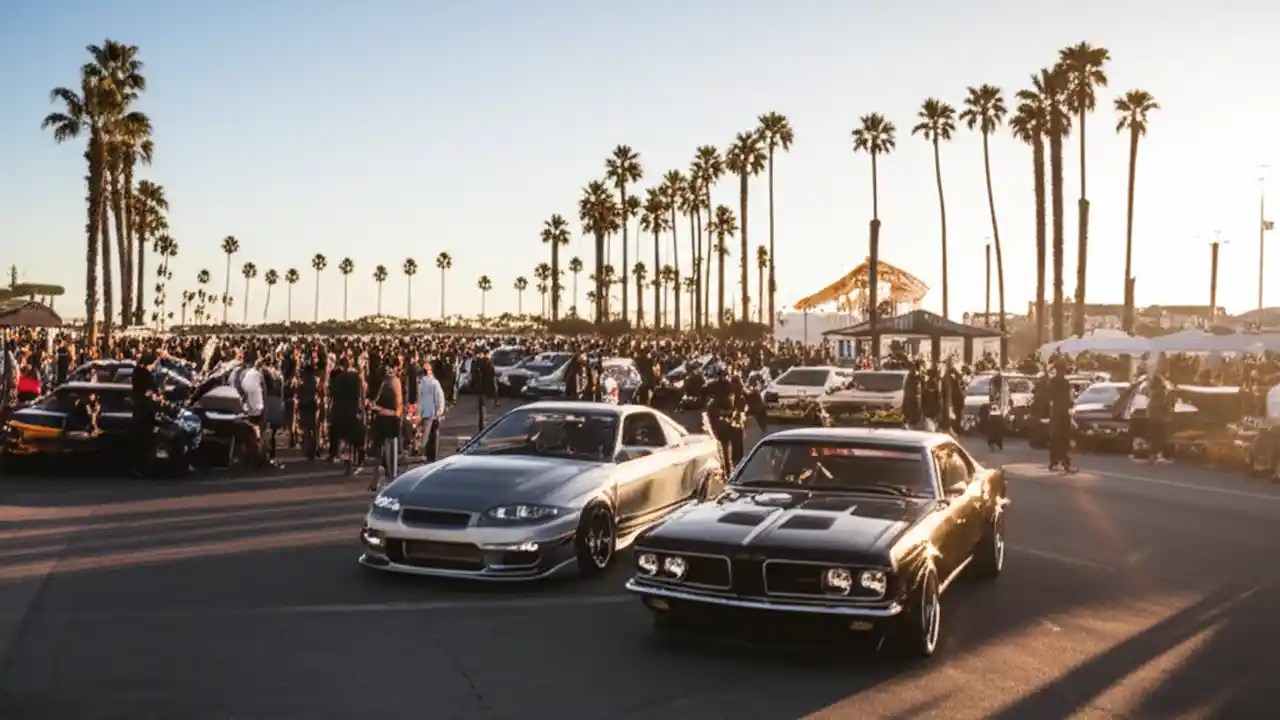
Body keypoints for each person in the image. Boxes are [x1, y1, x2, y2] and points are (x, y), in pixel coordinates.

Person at [370, 357, 403, 491]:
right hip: (384, 422)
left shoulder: (394, 382)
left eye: (392, 368)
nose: (389, 370)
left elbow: (397, 407)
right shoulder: (386, 382)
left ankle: (388, 480)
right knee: (380, 454)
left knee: (388, 453)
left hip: (389, 421)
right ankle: (377, 481)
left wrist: (380, 410)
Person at [130, 351, 161, 477]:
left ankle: (138, 466)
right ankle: (143, 467)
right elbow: (152, 390)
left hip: (138, 411)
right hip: (145, 411)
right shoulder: (146, 375)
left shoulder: (136, 373)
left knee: (139, 441)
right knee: (146, 441)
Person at [1048, 361, 1077, 472]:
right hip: (1063, 414)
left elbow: (1050, 397)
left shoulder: (1052, 382)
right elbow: (1070, 399)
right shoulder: (1065, 383)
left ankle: (1054, 462)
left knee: (1055, 439)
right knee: (1064, 439)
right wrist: (1070, 404)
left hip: (1055, 413)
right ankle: (1065, 463)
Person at [416, 362, 447, 463]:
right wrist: (440, 411)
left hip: (424, 413)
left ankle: (426, 454)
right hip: (432, 412)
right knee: (433, 435)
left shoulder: (421, 383)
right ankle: (432, 456)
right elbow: (439, 398)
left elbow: (419, 399)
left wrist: (418, 413)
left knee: (426, 434)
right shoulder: (434, 383)